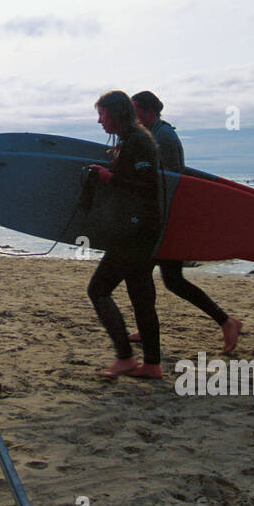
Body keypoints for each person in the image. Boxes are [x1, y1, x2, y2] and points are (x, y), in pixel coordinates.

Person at [131, 91, 242, 354]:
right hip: (163, 220)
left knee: (157, 278)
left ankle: (227, 322)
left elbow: (169, 182)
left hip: (167, 222)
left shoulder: (164, 137)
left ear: (147, 112)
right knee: (163, 279)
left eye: (134, 111)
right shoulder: (155, 133)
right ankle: (224, 322)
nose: (131, 117)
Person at [86, 92, 162, 378]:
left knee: (98, 290)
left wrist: (110, 178)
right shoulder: (133, 139)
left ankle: (125, 357)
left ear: (116, 113)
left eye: (102, 115)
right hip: (142, 229)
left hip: (135, 232)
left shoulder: (137, 141)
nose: (99, 121)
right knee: (140, 296)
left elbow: (148, 187)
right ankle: (152, 365)